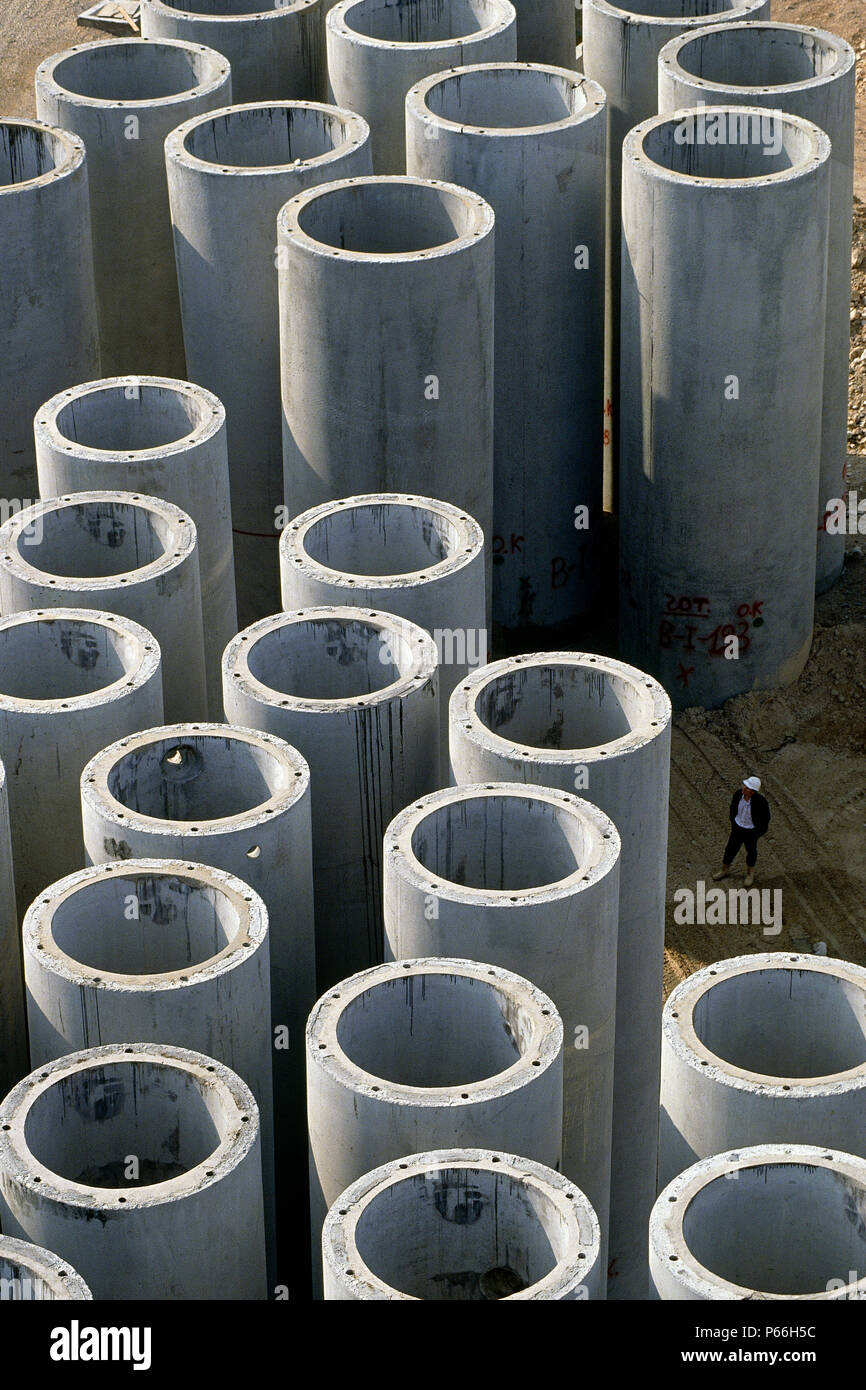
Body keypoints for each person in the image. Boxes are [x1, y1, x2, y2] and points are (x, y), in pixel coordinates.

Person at [712, 775, 770, 888]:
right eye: (744, 785)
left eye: (747, 787)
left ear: (752, 791)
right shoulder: (738, 794)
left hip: (751, 831)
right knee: (730, 849)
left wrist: (757, 833)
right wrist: (733, 821)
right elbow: (733, 808)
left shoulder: (761, 802)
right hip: (738, 828)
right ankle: (724, 869)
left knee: (751, 852)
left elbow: (766, 819)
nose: (743, 788)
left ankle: (750, 873)